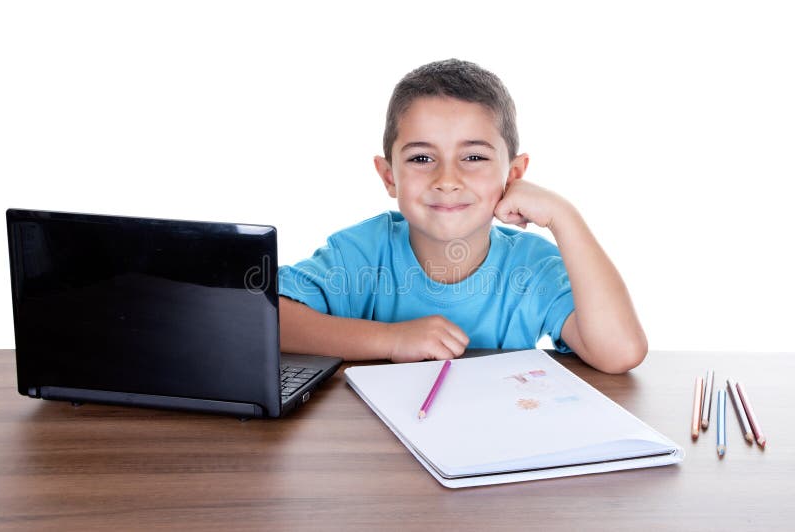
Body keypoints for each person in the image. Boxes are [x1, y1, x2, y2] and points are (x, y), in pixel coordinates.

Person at [277, 58, 647, 374]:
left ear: (514, 174)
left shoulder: (533, 268)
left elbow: (620, 353)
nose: (448, 180)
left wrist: (565, 217)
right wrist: (392, 339)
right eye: (421, 158)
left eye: (473, 157)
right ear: (390, 176)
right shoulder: (359, 253)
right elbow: (270, 322)